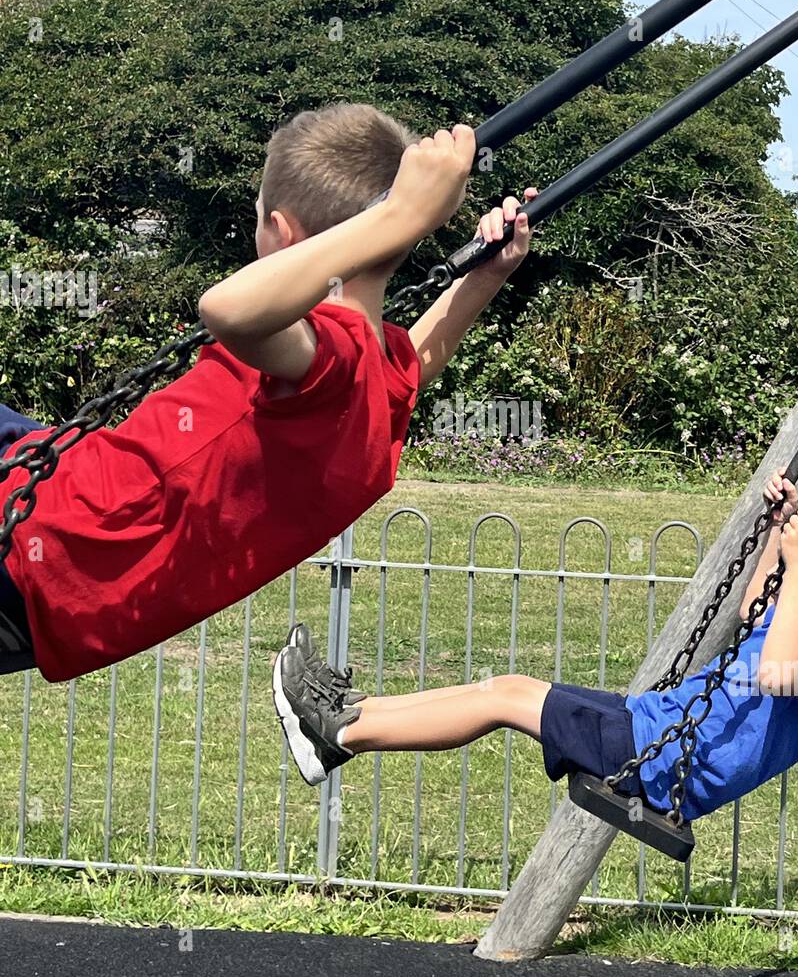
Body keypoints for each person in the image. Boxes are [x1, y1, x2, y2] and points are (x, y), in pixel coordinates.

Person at [0, 104, 536, 682]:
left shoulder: (330, 356)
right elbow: (420, 360)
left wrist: (402, 213)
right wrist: (485, 275)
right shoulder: (377, 372)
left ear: (281, 233)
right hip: (59, 492)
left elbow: (225, 307)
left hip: (42, 543)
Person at [272, 474, 798, 824]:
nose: (786, 579)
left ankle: (340, 731)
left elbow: (779, 674)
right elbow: (756, 612)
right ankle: (346, 720)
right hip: (648, 730)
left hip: (662, 765)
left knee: (505, 696)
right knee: (498, 691)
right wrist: (782, 532)